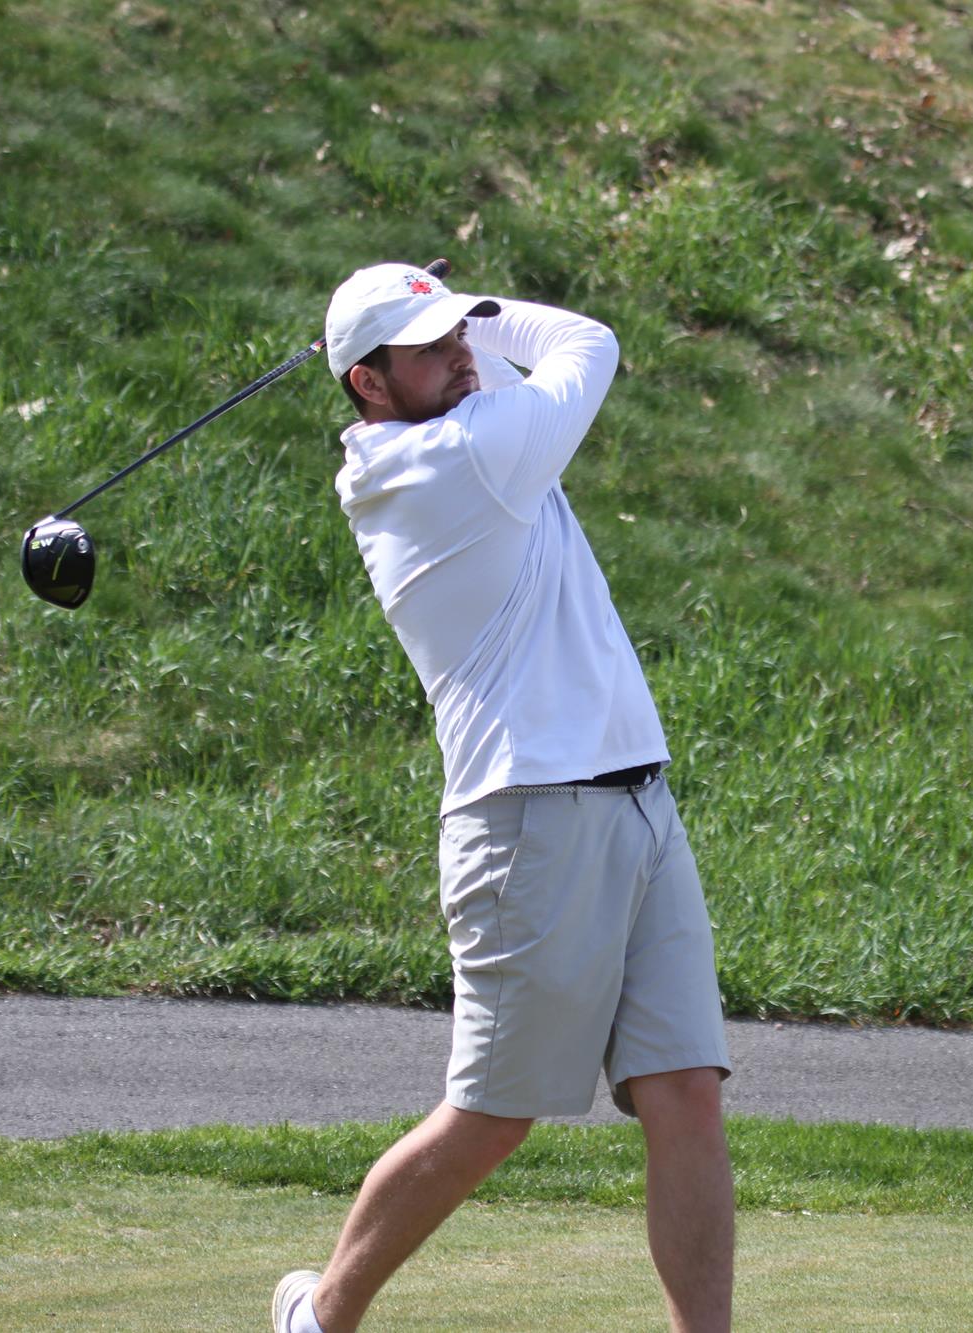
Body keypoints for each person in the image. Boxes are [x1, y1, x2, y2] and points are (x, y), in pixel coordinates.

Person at [270, 262, 735, 1333]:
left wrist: (442, 314)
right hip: (527, 820)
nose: (463, 353)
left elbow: (542, 355)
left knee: (686, 1095)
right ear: (367, 385)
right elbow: (590, 341)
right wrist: (479, 301)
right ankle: (322, 1318)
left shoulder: (462, 427)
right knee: (490, 1117)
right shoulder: (461, 459)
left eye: (459, 334)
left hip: (632, 801)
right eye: (429, 346)